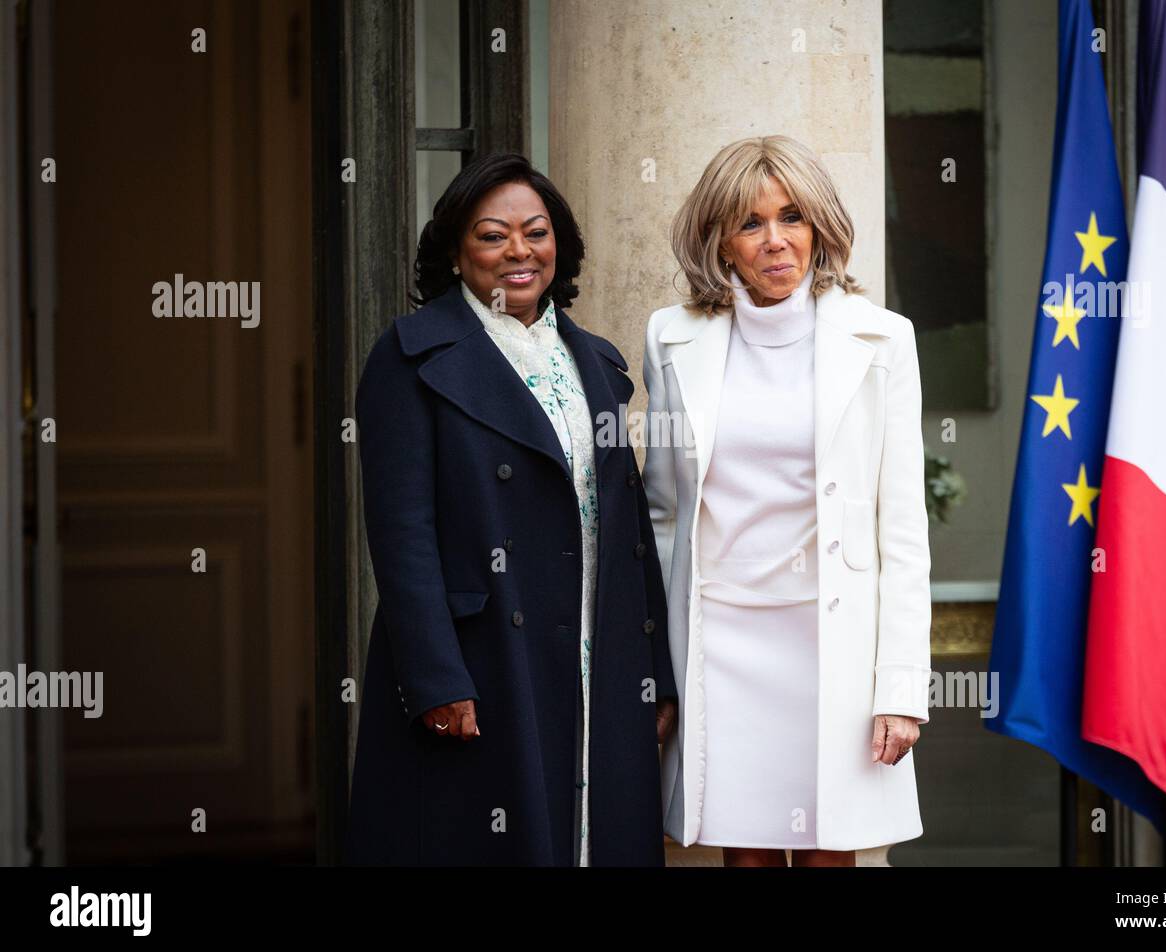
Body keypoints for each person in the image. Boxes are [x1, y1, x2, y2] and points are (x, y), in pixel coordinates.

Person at [345, 153, 677, 865]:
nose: (519, 252)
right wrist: (434, 678)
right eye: (493, 235)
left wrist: (658, 671)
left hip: (601, 648)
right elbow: (402, 535)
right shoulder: (410, 359)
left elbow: (632, 528)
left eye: (537, 231)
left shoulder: (597, 362)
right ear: (456, 253)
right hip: (485, 659)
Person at [644, 135, 932, 866]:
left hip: (832, 641)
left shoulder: (883, 340)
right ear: (720, 240)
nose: (775, 241)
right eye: (750, 223)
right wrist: (653, 665)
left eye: (792, 217)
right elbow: (663, 514)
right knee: (745, 857)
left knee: (831, 851)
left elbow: (901, 524)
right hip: (722, 643)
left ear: (819, 227)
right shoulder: (672, 338)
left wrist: (899, 686)